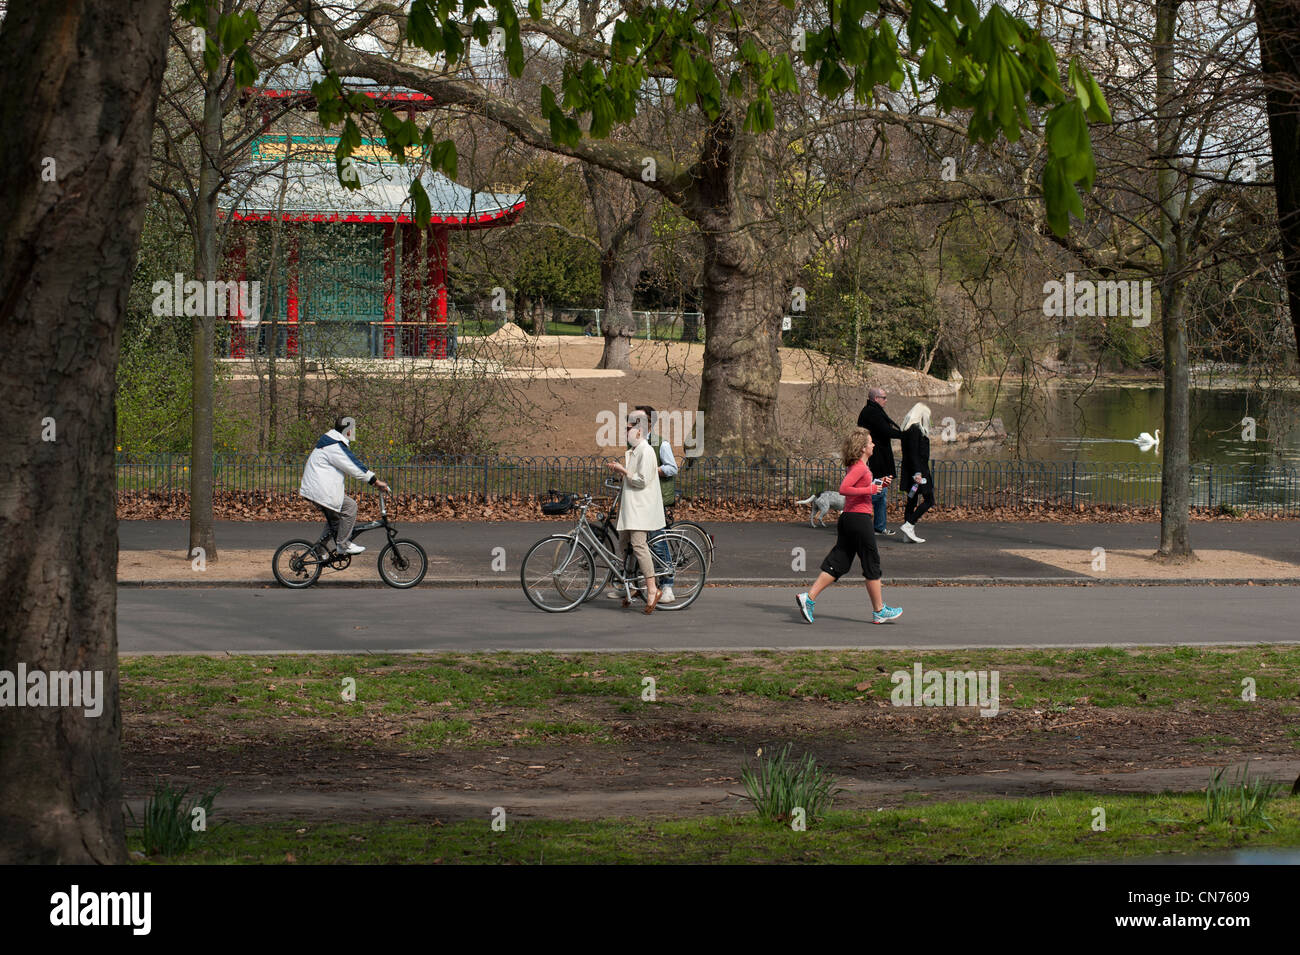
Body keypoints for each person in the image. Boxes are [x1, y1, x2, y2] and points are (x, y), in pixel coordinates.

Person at [795, 428, 903, 625]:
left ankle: (808, 598)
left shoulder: (857, 466)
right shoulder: (860, 468)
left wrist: (879, 484)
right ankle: (879, 611)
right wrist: (871, 487)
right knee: (872, 562)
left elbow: (859, 489)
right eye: (870, 442)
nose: (873, 445)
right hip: (859, 520)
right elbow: (845, 489)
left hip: (850, 519)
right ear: (863, 448)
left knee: (839, 562)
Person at [299, 417, 389, 555]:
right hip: (320, 490)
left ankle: (319, 548)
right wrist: (375, 481)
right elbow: (353, 466)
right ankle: (344, 545)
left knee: (335, 521)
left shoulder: (332, 442)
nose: (354, 432)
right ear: (347, 431)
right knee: (350, 507)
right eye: (352, 429)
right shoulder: (334, 446)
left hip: (319, 489)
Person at [606, 418, 665, 614]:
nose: (626, 432)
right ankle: (633, 586)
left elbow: (641, 480)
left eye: (629, 429)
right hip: (631, 509)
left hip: (641, 509)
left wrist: (622, 470)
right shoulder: (636, 451)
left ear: (639, 432)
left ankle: (652, 589)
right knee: (624, 544)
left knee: (639, 545)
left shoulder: (646, 451)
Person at [635, 404, 679, 603]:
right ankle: (632, 585)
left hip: (656, 499)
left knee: (658, 541)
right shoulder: (633, 443)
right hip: (638, 499)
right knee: (633, 543)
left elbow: (672, 468)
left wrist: (652, 470)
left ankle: (667, 586)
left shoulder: (661, 444)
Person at [857, 386, 903, 536]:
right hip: (876, 459)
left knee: (881, 492)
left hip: (878, 458)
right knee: (878, 493)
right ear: (876, 398)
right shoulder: (872, 412)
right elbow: (885, 431)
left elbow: (884, 430)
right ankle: (862, 521)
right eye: (884, 397)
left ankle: (878, 526)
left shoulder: (872, 410)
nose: (886, 400)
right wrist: (905, 435)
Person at [899, 402, 935, 544]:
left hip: (911, 471)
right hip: (918, 471)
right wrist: (918, 473)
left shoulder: (907, 429)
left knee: (911, 500)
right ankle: (909, 525)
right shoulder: (915, 430)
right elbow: (914, 453)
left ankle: (907, 534)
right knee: (929, 500)